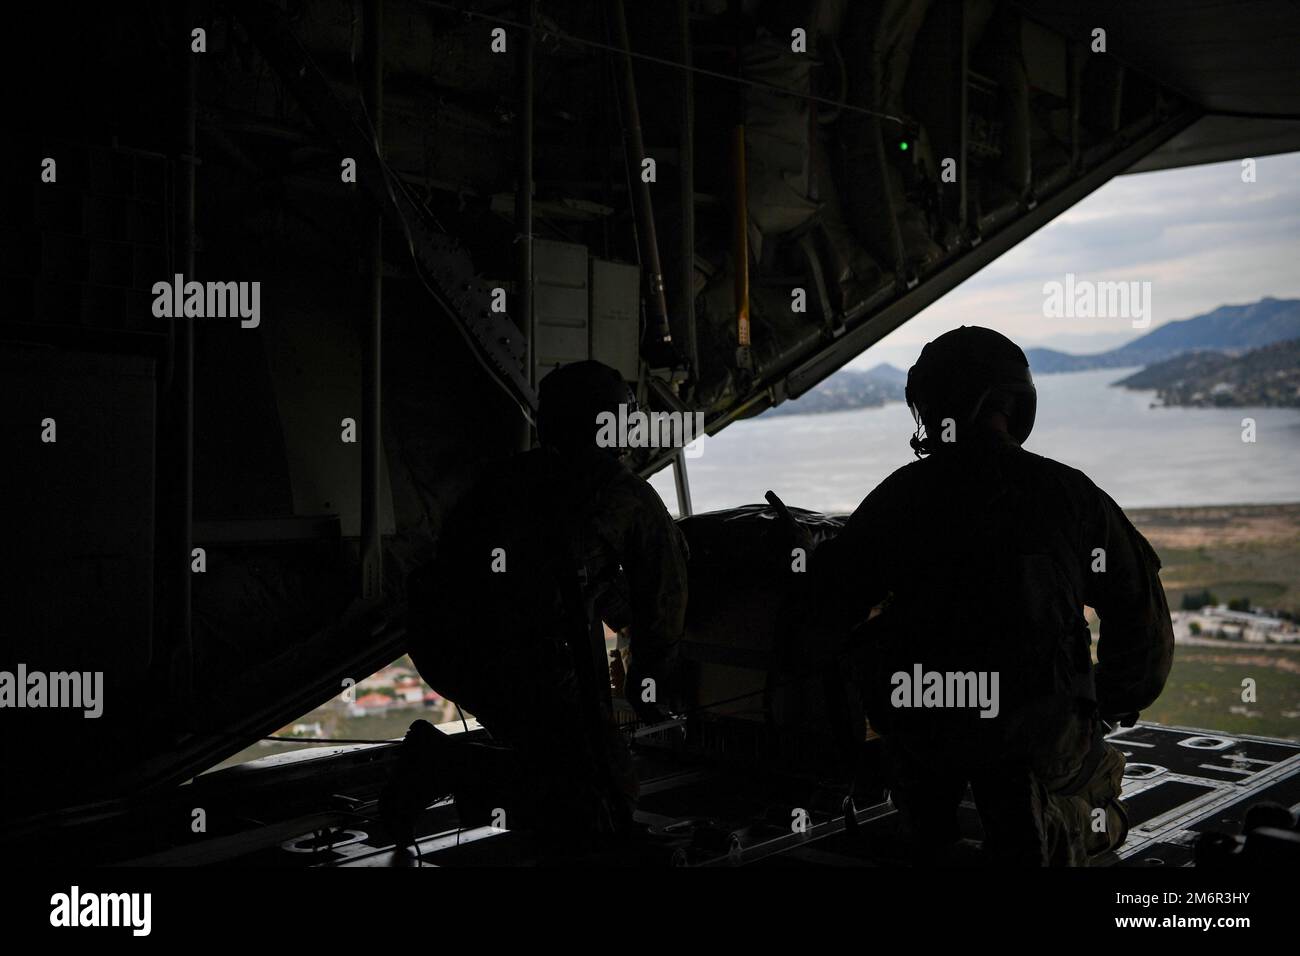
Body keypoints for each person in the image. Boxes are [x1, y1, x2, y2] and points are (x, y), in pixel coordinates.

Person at [811, 326, 1173, 865]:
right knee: (1105, 801)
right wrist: (1111, 700)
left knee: (920, 767)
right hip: (1041, 736)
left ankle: (927, 815)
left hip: (926, 732)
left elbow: (824, 615)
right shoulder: (1069, 495)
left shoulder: (898, 499)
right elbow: (1142, 626)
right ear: (1013, 403)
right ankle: (1053, 821)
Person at [382, 360, 689, 855]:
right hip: (529, 662)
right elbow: (664, 606)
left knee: (563, 768)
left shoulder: (505, 480)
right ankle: (442, 764)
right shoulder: (625, 497)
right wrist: (649, 684)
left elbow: (569, 572)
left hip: (455, 650)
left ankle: (444, 765)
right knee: (604, 796)